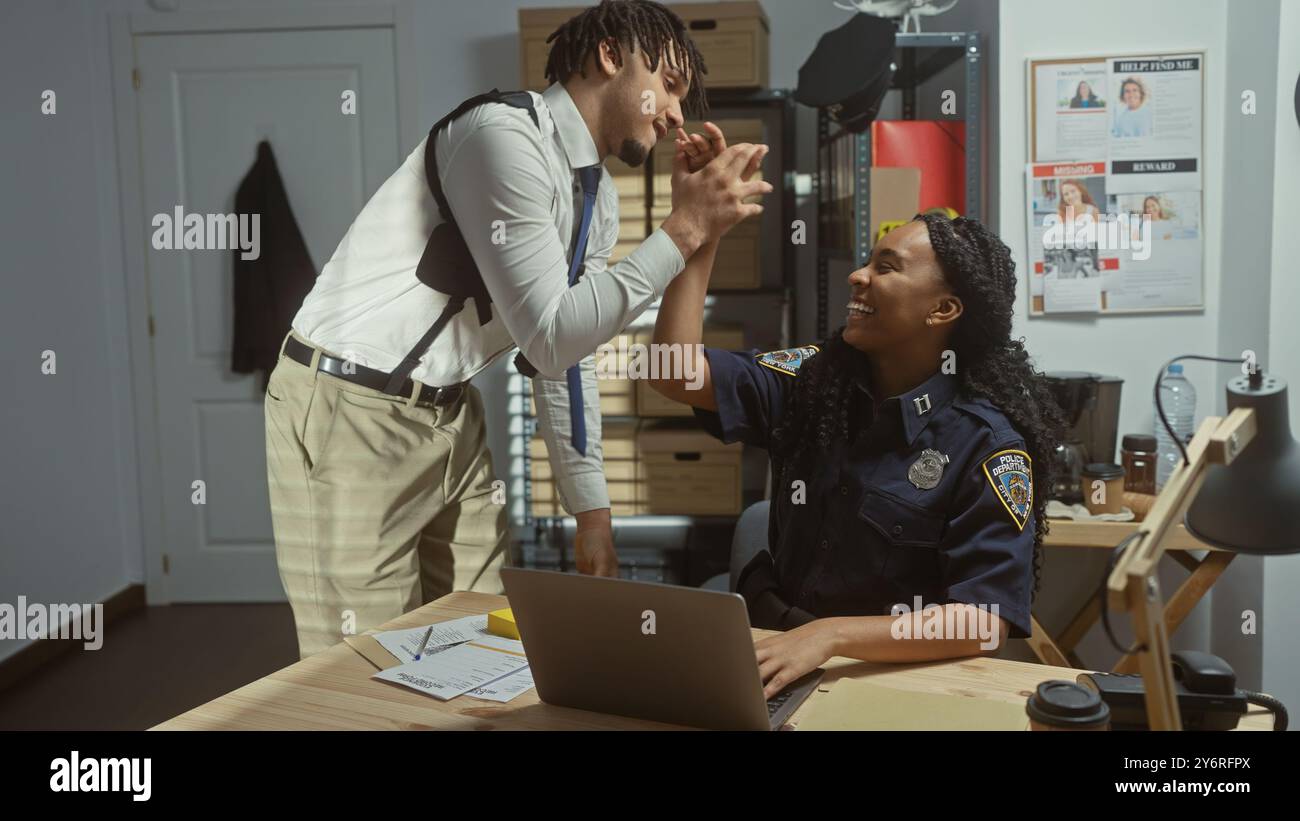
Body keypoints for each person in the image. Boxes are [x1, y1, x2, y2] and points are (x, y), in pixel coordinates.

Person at [264, 0, 771, 658]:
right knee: (362, 662)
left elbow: (565, 353)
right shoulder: (501, 137)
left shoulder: (598, 198)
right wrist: (686, 228)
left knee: (479, 636)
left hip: (452, 414)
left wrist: (592, 514)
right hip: (350, 406)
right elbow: (551, 335)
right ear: (611, 56)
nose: (678, 113)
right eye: (669, 85)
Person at [649, 206, 1065, 698]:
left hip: (882, 679)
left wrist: (832, 635)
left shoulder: (988, 446)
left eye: (885, 268)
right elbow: (672, 372)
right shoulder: (814, 381)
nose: (856, 276)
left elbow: (981, 621)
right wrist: (700, 228)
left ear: (943, 310)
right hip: (769, 651)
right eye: (868, 262)